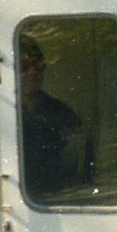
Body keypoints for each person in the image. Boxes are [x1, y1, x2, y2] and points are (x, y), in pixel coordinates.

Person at [18, 35, 83, 199]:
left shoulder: (62, 113)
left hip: (55, 199)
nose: (32, 72)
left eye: (38, 65)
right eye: (24, 66)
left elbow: (75, 163)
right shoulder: (0, 114)